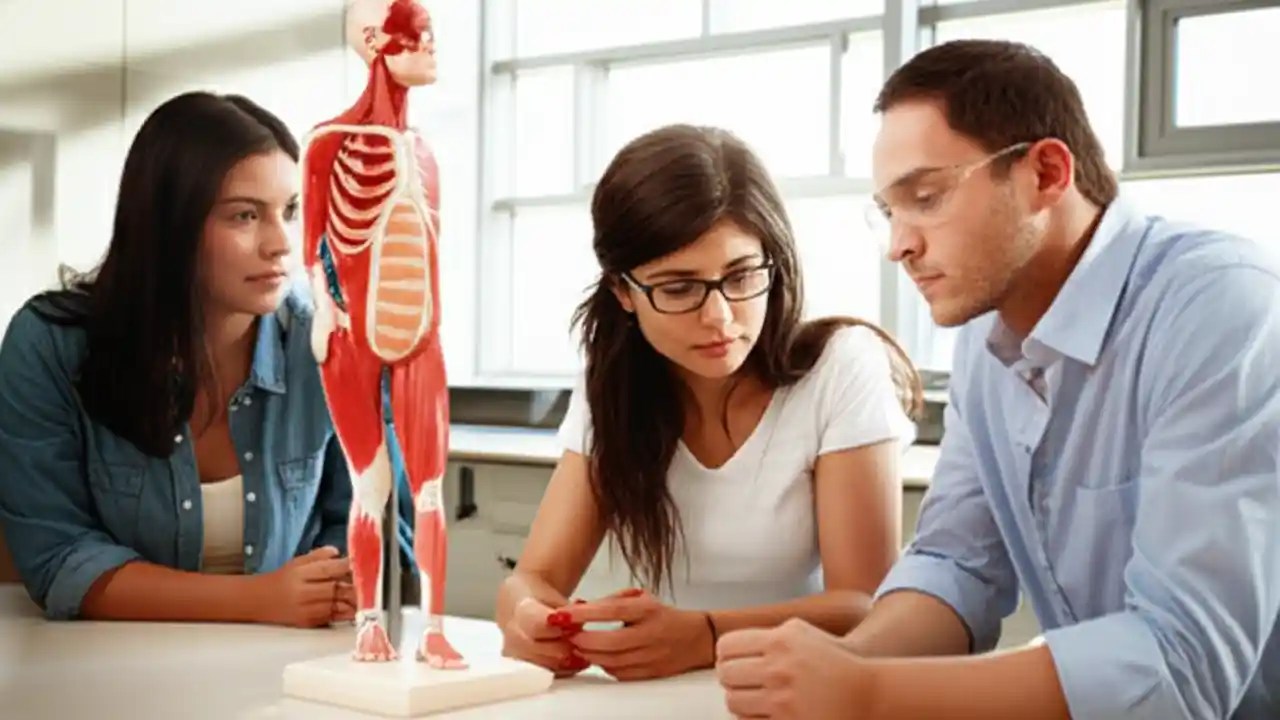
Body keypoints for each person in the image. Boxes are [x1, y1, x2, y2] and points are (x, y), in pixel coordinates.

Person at [714, 39, 1280, 720]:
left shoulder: (1220, 307)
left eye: (925, 197)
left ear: (1045, 172)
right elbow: (958, 565)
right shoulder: (987, 337)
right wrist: (847, 662)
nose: (899, 245)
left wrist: (867, 694)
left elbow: (1185, 664)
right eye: (889, 212)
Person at [494, 123, 924, 681]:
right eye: (679, 288)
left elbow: (865, 604)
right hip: (663, 697)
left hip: (801, 689)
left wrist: (707, 635)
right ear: (623, 292)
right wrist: (530, 619)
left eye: (742, 276)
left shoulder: (840, 367)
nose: (720, 317)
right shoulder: (612, 389)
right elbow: (531, 579)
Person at [0, 91, 406, 627]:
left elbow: (374, 534)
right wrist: (261, 601)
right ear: (169, 225)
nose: (281, 243)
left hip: (285, 668)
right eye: (244, 215)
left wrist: (347, 578)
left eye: (288, 211)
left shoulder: (336, 349)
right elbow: (58, 559)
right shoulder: (49, 345)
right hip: (102, 670)